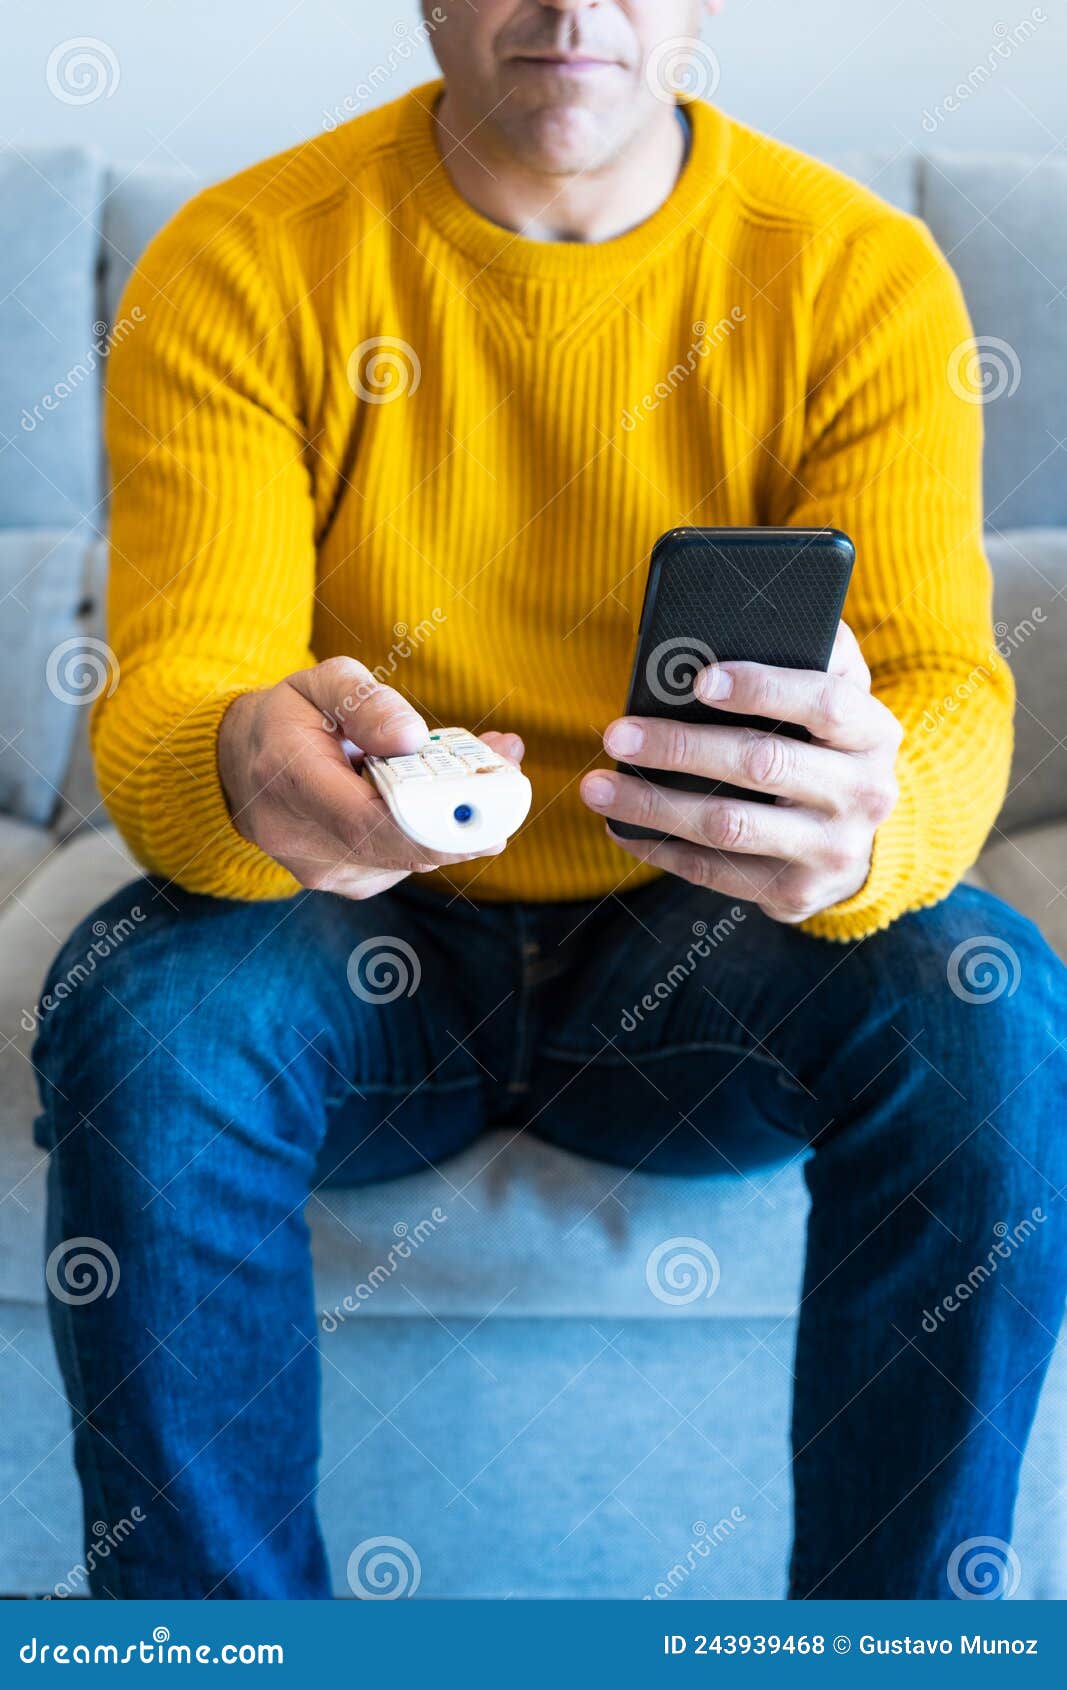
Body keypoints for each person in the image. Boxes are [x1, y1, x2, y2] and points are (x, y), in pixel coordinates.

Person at [33, 0, 1067, 1598]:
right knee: (146, 1014)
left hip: (705, 941)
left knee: (992, 1010)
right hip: (355, 926)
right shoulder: (241, 258)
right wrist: (245, 767)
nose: (574, 10)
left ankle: (892, 1646)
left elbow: (941, 686)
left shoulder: (857, 274)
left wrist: (875, 819)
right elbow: (180, 690)